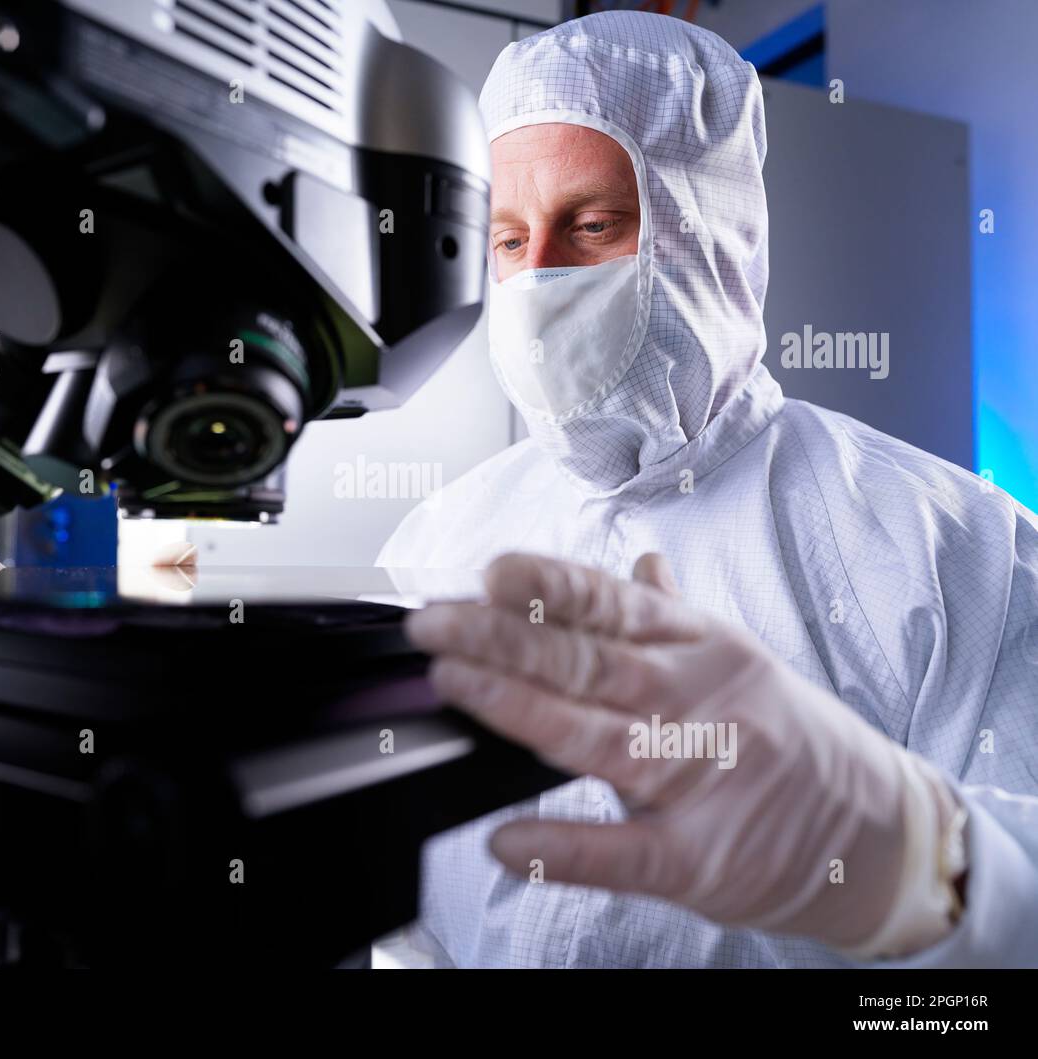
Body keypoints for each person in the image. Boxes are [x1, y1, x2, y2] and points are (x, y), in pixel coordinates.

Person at [376, 11, 1038, 967]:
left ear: (707, 235)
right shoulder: (433, 544)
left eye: (592, 225)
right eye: (510, 240)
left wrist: (906, 862)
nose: (538, 280)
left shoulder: (961, 556)